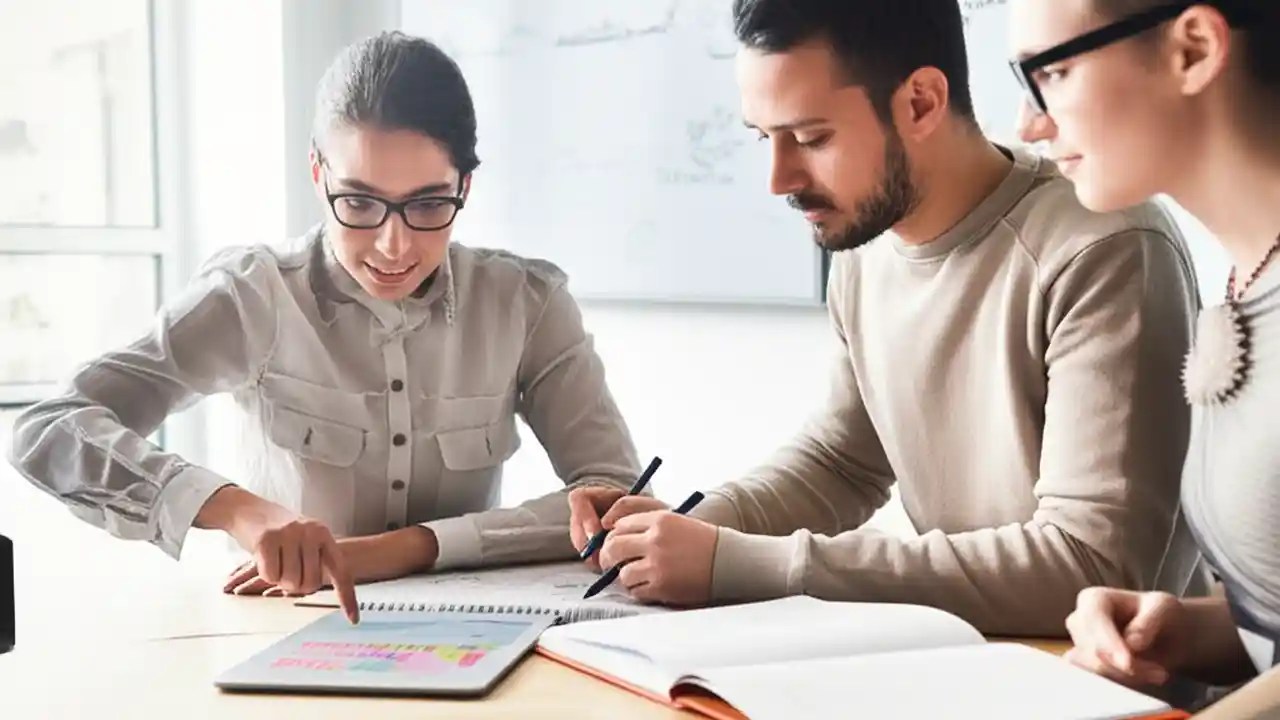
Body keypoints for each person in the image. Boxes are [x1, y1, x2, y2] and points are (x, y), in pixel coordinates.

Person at [567, 0, 1202, 637]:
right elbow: (843, 461)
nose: (778, 178)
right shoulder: (866, 242)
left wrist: (743, 564)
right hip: (961, 666)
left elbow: (1091, 563)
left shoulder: (1104, 247)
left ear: (922, 102)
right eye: (765, 138)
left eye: (812, 138)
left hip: (1105, 686)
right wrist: (700, 522)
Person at [6, 32, 640, 623]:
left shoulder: (528, 303)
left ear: (465, 186)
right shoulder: (254, 294)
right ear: (318, 175)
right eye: (359, 202)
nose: (393, 245)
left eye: (427, 204)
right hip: (275, 628)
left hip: (469, 629)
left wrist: (396, 551)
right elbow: (49, 427)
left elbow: (613, 498)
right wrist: (233, 509)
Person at [1010, 0, 1280, 694]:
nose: (1029, 123)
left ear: (1192, 49)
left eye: (1056, 73)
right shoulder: (1244, 280)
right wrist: (1188, 630)